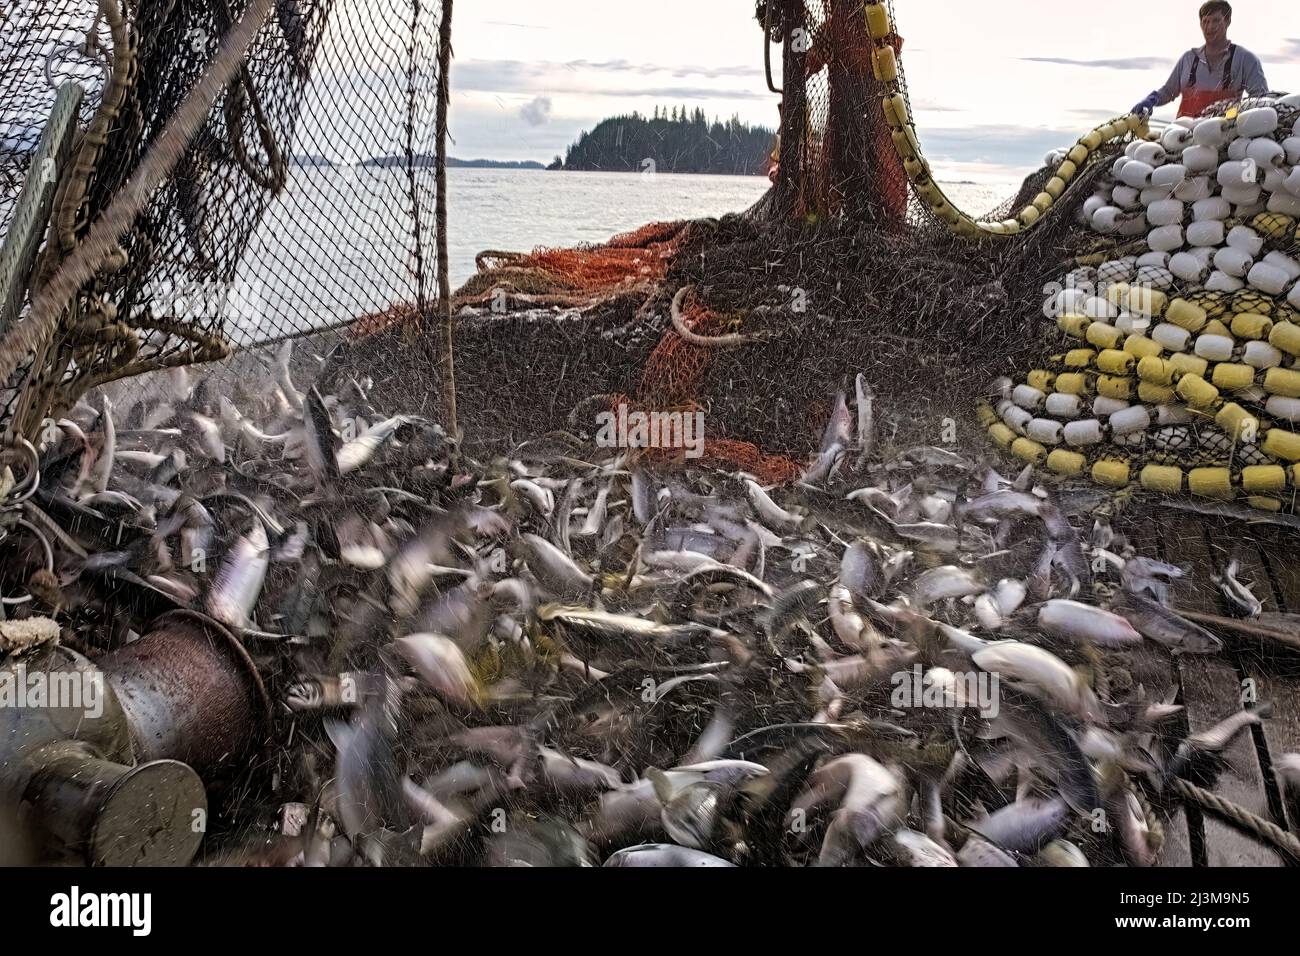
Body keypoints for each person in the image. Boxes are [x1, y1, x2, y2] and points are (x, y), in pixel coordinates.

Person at [1131, 1, 1268, 119]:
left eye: (1216, 20)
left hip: (1224, 139)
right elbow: (1168, 91)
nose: (1210, 27)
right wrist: (1151, 100)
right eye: (1205, 21)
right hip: (1182, 139)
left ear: (1227, 21)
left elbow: (1260, 101)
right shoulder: (1188, 59)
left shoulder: (1246, 59)